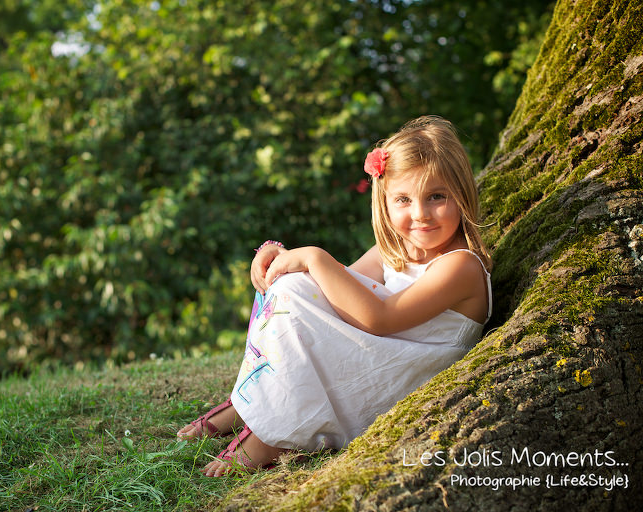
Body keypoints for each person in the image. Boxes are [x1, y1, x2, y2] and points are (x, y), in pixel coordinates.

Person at [177, 115, 492, 477]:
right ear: (385, 202)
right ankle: (251, 402)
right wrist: (283, 258)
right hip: (376, 358)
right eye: (403, 199)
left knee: (299, 287)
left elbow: (380, 318)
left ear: (462, 194)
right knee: (293, 286)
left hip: (397, 380)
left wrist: (313, 256)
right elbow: (332, 291)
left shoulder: (460, 266)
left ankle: (275, 431)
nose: (420, 214)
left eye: (437, 196)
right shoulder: (394, 251)